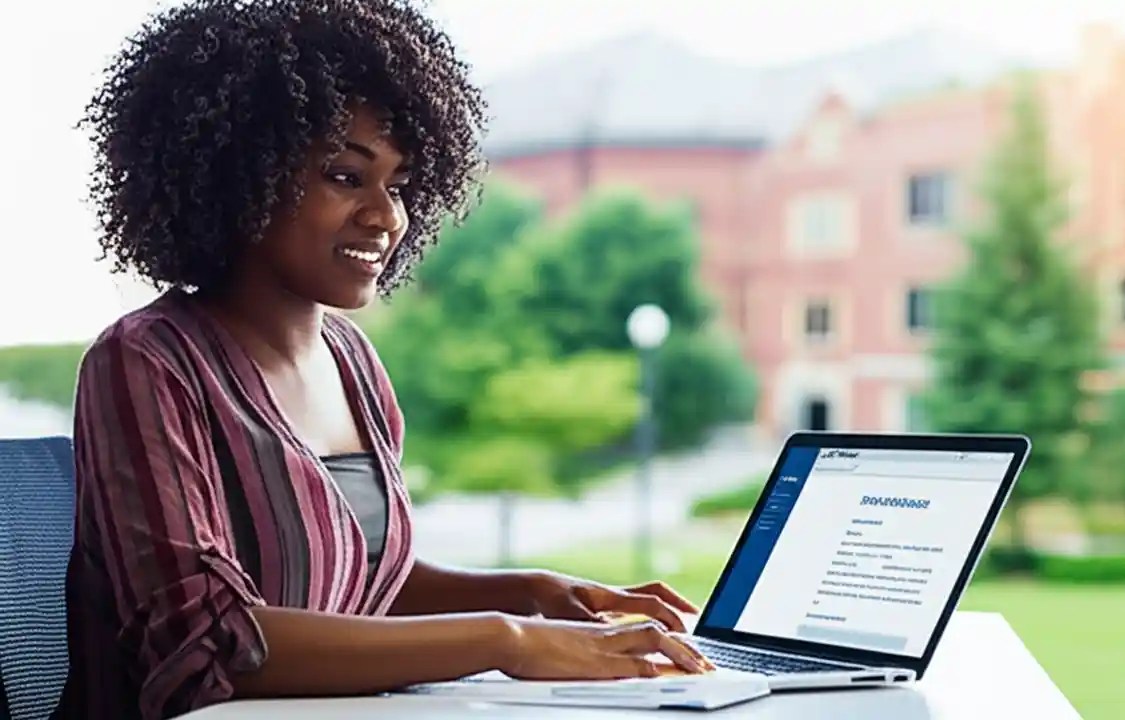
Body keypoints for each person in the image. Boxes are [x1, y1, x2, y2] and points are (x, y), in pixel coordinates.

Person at [55, 2, 712, 718]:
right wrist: (507, 638)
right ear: (238, 175)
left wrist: (530, 592)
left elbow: (357, 585)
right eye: (346, 176)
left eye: (398, 186)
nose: (387, 216)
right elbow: (209, 644)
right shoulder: (145, 363)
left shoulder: (352, 362)